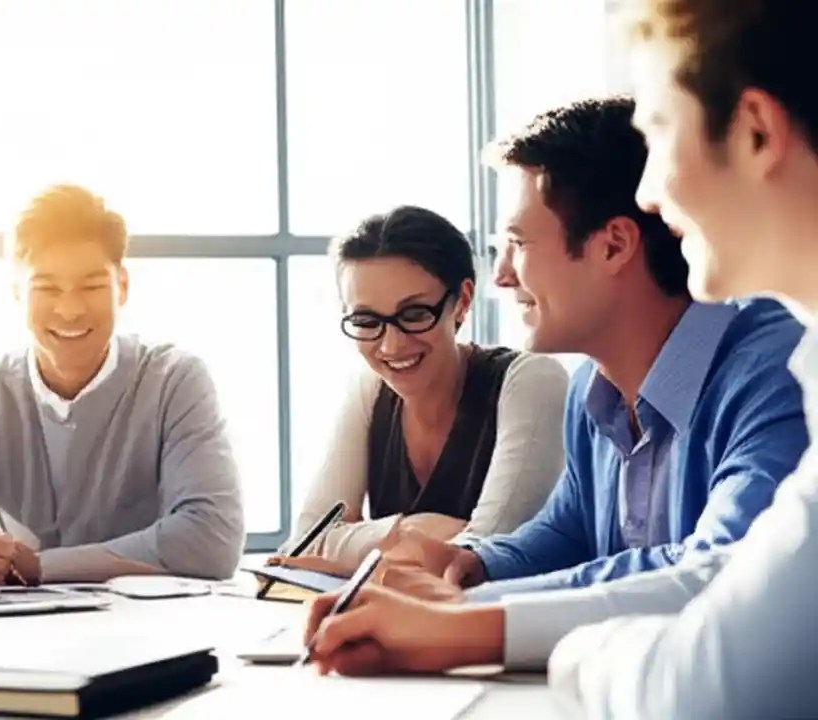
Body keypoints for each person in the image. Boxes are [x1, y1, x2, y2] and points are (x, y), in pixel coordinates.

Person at [301, 95, 809, 686]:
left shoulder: (779, 371)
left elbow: (720, 569)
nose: (501, 275)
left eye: (518, 243)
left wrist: (459, 617)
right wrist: (472, 565)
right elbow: (566, 532)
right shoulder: (591, 388)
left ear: (613, 246)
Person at [546, 2, 818, 716]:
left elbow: (705, 689)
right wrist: (469, 617)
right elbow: (748, 575)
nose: (645, 193)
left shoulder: (767, 362)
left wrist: (578, 655)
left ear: (756, 131)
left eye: (660, 131)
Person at [0, 184, 244, 589]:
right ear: (16, 292)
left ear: (123, 286)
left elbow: (211, 540)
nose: (70, 309)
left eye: (92, 287)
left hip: (163, 638)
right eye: (47, 289)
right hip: (14, 642)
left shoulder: (175, 382)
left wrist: (41, 567)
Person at [272, 205, 567, 575]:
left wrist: (357, 546)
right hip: (400, 627)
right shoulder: (370, 390)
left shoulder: (530, 381)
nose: (391, 346)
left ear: (461, 301)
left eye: (413, 315)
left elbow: (481, 557)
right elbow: (306, 542)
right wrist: (410, 530)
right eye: (366, 320)